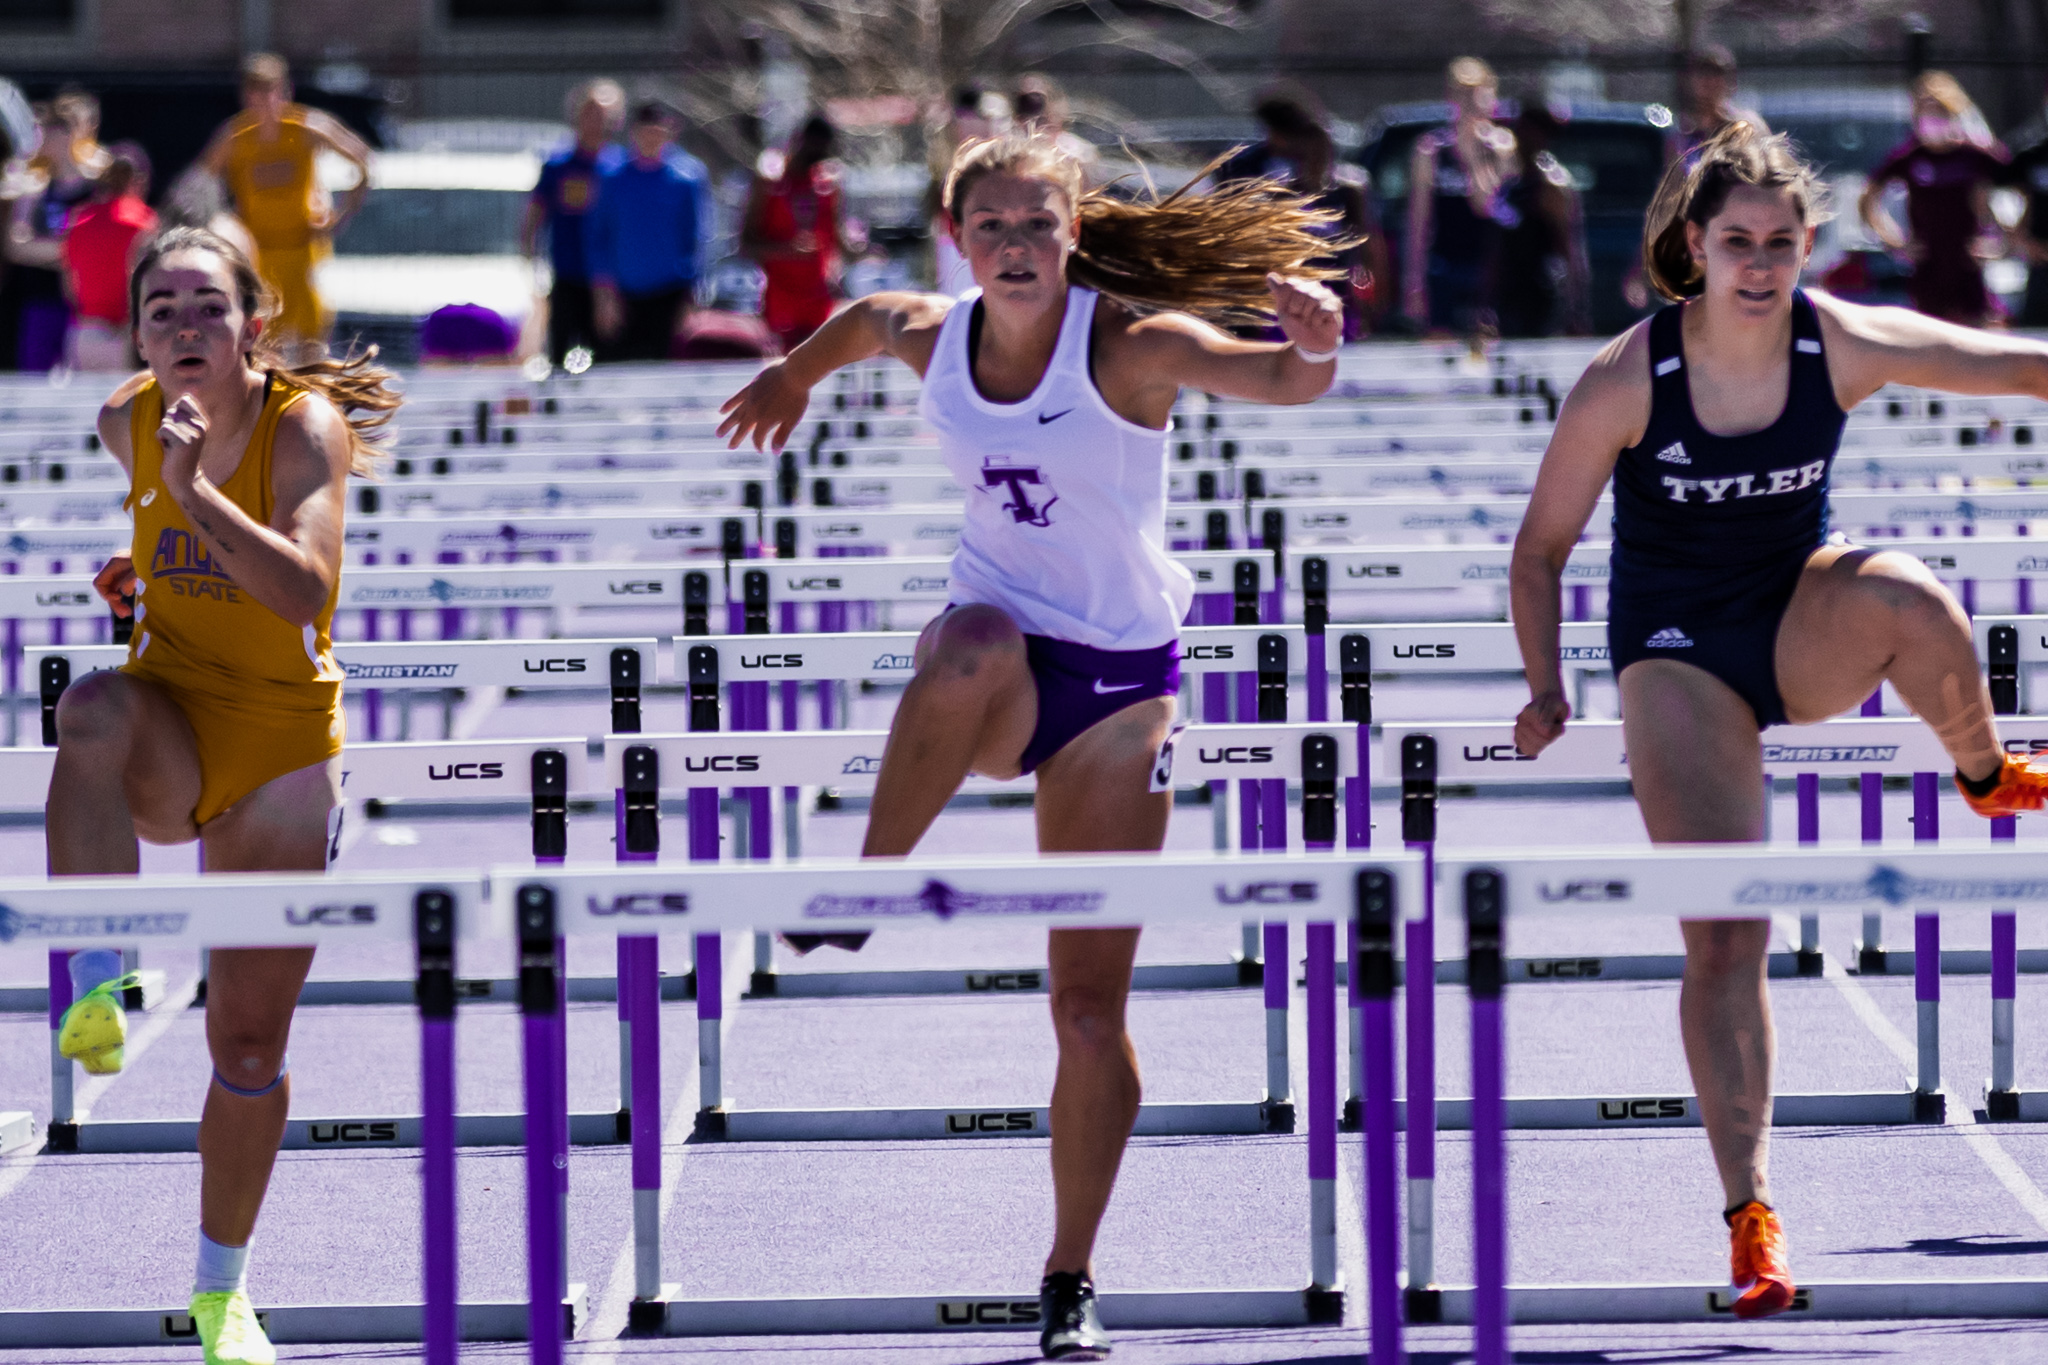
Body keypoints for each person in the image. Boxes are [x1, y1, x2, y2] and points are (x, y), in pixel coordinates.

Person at [718, 132, 1344, 1362]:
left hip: (1117, 692)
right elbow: (856, 322)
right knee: (964, 642)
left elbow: (1275, 383)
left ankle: (1068, 1271)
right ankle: (866, 880)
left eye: (1036, 227)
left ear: (1073, 235)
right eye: (991, 227)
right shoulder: (924, 330)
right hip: (998, 669)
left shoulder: (1128, 343)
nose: (1014, 248)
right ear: (956, 238)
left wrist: (1314, 340)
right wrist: (790, 374)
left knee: (1082, 1011)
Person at [1509, 121, 2048, 1323]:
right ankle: (1750, 1214)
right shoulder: (1624, 376)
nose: (1758, 265)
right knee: (1727, 934)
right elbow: (1539, 550)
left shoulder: (1835, 339)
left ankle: (1984, 772)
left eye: (1780, 244)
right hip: (1676, 657)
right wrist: (1544, 687)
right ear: (1694, 247)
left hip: (1797, 618)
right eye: (1736, 242)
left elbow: (2018, 367)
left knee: (1911, 592)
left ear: (1808, 248)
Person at [49, 223, 398, 1365]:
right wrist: (138, 576)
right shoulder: (124, 421)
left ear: (253, 323)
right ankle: (98, 974)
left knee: (247, 1045)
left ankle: (219, 1293)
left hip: (283, 747)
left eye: (208, 307)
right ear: (137, 333)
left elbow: (303, 591)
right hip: (174, 715)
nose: (185, 328)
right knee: (88, 708)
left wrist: (192, 495)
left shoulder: (303, 426)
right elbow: (161, 554)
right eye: (162, 311)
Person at [200, 53, 373, 358]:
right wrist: (224, 226)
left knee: (311, 345)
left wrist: (341, 214)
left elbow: (362, 160)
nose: (265, 100)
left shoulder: (307, 128)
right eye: (256, 91)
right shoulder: (236, 136)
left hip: (303, 250)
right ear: (245, 95)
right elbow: (201, 182)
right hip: (259, 254)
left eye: (272, 91)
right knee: (266, 347)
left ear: (285, 90)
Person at [1860, 71, 2011, 328]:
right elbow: (1869, 197)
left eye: (1940, 111)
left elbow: (2018, 186)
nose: (1932, 119)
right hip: (1928, 269)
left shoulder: (1974, 155)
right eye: (1925, 112)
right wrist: (1895, 243)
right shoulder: (1910, 158)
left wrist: (2002, 242)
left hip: (1968, 267)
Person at [587, 100, 709, 362]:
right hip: (622, 295)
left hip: (669, 293)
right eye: (645, 131)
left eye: (658, 131)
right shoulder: (612, 177)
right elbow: (598, 238)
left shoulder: (687, 178)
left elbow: (696, 238)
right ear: (633, 132)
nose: (651, 138)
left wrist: (691, 296)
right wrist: (604, 297)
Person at [1405, 56, 1517, 336]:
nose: (1468, 102)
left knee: (1487, 341)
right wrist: (1414, 280)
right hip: (1444, 263)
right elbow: (1419, 219)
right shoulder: (1431, 150)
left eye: (1474, 93)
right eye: (1461, 94)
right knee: (1439, 338)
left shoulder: (1501, 146)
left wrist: (1472, 155)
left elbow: (1486, 204)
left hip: (1488, 264)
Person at [523, 79, 625, 365]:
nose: (596, 120)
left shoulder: (620, 166)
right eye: (590, 111)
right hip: (568, 273)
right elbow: (534, 214)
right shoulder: (558, 164)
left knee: (608, 356)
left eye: (603, 114)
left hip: (611, 281)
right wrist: (529, 261)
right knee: (560, 355)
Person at [741, 114, 854, 353]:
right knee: (784, 373)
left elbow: (837, 239)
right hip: (781, 299)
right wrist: (787, 250)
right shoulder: (771, 183)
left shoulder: (827, 185)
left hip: (819, 298)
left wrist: (858, 252)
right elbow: (747, 244)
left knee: (820, 367)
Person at [3, 97, 101, 371]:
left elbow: (103, 246)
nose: (45, 140)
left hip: (85, 309)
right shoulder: (34, 191)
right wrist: (70, 251)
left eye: (54, 131)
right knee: (34, 378)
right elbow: (15, 245)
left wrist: (49, 249)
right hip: (41, 302)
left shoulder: (97, 188)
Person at [1497, 107, 1590, 338]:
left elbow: (1570, 251)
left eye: (1530, 132)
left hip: (1542, 293)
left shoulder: (1552, 186)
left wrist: (1576, 309)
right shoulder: (1510, 185)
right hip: (1509, 292)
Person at [64, 141, 157, 371]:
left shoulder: (79, 220)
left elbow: (69, 283)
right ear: (138, 180)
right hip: (125, 336)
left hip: (85, 332)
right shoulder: (144, 222)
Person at [1671, 44, 1765, 161]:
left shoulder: (1745, 125)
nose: (1709, 80)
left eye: (1717, 72)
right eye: (1702, 72)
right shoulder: (1683, 134)